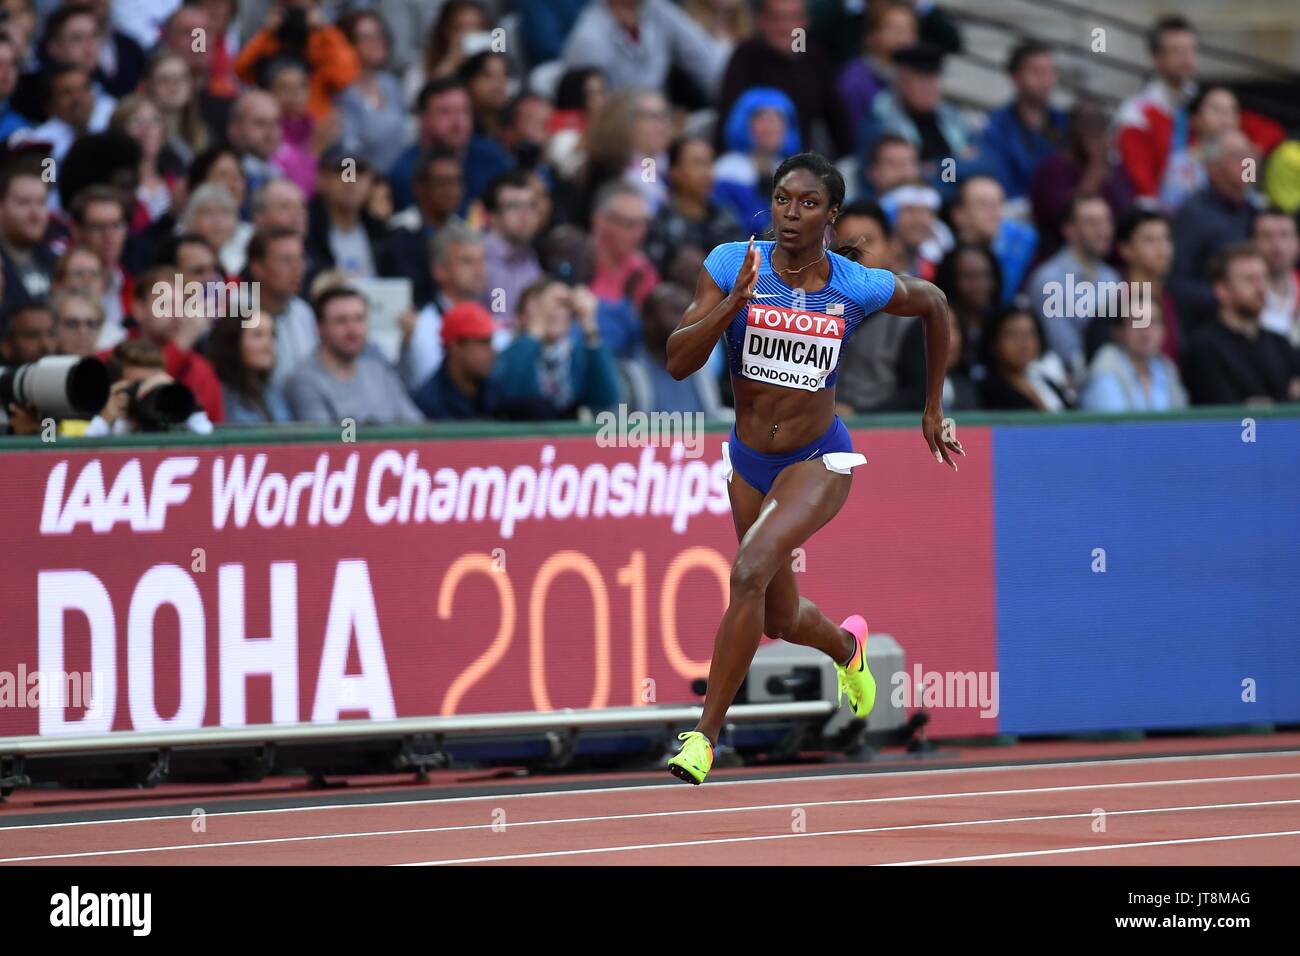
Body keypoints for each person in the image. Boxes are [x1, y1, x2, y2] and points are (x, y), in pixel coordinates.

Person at [663, 152, 961, 785]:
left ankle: (703, 737)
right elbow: (677, 361)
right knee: (775, 617)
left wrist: (932, 407)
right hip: (748, 462)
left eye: (807, 204)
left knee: (748, 570)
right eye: (781, 200)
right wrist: (730, 306)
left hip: (818, 458)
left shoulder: (853, 284)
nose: (791, 214)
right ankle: (847, 649)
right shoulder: (730, 263)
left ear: (832, 215)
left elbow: (934, 302)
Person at [285, 285, 424, 424]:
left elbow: (417, 427)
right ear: (319, 328)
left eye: (359, 319)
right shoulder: (304, 381)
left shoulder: (379, 371)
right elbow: (324, 442)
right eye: (341, 321)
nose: (352, 329)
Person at [1182, 243, 1300, 405]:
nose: (1260, 288)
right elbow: (1224, 410)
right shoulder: (1203, 347)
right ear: (1222, 290)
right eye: (1249, 279)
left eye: (1264, 277)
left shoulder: (1280, 343)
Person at [1080, 302, 1188, 412]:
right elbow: (1118, 426)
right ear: (1118, 331)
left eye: (1153, 322)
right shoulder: (1105, 368)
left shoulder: (1166, 367)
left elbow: (1183, 420)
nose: (1146, 333)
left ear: (1165, 330)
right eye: (1137, 322)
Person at [410, 301, 500, 420]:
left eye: (490, 342)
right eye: (482, 342)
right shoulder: (429, 403)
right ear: (455, 347)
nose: (491, 351)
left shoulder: (496, 391)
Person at [208, 310, 295, 424]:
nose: (269, 344)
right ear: (234, 342)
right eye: (258, 335)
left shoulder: (272, 391)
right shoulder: (220, 396)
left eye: (272, 335)